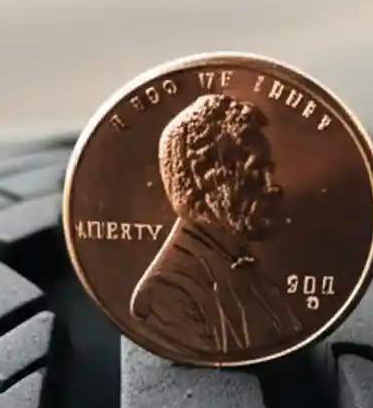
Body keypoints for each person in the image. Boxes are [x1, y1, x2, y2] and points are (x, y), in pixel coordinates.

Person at [129, 93, 302, 358]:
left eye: (270, 171)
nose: (273, 186)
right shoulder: (165, 295)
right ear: (207, 178)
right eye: (257, 171)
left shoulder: (249, 271)